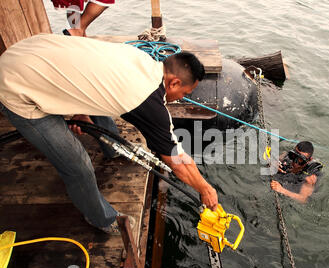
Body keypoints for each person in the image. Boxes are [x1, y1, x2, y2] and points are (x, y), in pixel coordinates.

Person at [0, 33, 218, 234]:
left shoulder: (138, 57)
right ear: (174, 82)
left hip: (26, 49)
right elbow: (178, 162)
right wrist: (205, 189)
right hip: (15, 85)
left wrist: (81, 109)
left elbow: (91, 74)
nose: (180, 98)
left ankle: (113, 149)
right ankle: (102, 219)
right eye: (184, 93)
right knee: (77, 164)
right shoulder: (149, 102)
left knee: (107, 104)